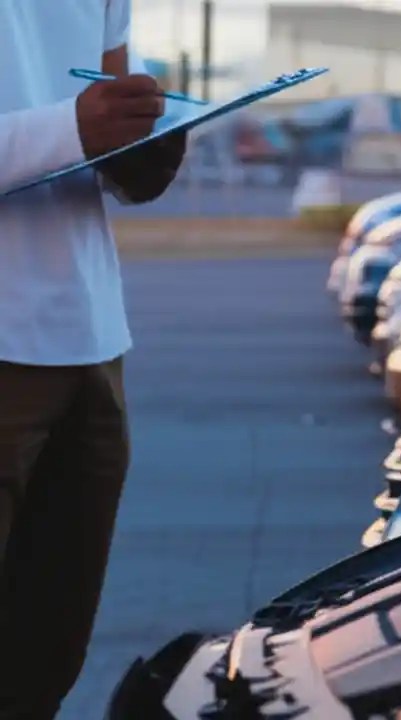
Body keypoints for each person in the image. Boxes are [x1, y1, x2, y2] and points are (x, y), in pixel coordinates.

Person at [0, 0, 185, 717]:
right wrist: (71, 130)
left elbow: (104, 118)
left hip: (90, 344)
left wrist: (142, 152)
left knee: (41, 667)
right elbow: (72, 124)